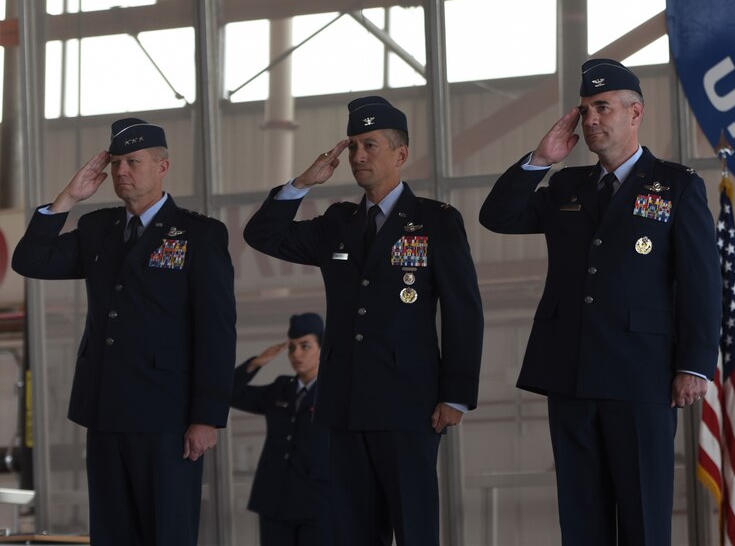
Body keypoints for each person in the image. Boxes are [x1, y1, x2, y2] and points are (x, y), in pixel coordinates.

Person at [479, 58, 722, 545]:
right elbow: (497, 216)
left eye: (603, 107)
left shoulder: (675, 186)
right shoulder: (567, 185)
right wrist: (540, 160)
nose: (591, 119)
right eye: (585, 109)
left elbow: (701, 281)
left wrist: (694, 365)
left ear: (636, 114)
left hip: (641, 374)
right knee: (581, 519)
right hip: (570, 372)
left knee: (643, 517)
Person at [243, 95, 484, 546]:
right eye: (353, 146)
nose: (358, 156)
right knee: (352, 530)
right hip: (344, 403)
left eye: (370, 145)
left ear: (401, 154)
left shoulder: (436, 221)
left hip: (409, 403)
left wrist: (457, 394)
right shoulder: (337, 222)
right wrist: (302, 183)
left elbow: (463, 310)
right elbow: (262, 234)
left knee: (413, 526)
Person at [12, 117, 237, 546]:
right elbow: (31, 261)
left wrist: (207, 417)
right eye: (116, 163)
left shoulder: (199, 234)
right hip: (106, 408)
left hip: (167, 415)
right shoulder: (100, 228)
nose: (121, 172)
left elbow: (217, 329)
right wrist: (68, 198)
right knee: (113, 534)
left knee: (166, 531)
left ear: (163, 167)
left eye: (133, 162)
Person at [232, 312, 331, 546]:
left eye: (305, 346)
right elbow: (230, 393)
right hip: (274, 500)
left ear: (322, 348)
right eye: (292, 348)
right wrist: (256, 363)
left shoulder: (334, 393)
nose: (296, 354)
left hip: (318, 503)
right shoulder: (280, 389)